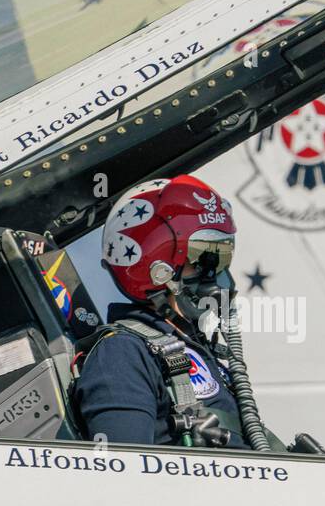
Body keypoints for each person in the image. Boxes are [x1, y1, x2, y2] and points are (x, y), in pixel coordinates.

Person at [72, 175, 264, 449]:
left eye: (222, 256)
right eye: (207, 258)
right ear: (157, 265)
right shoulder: (122, 354)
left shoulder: (196, 349)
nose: (219, 275)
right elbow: (122, 472)